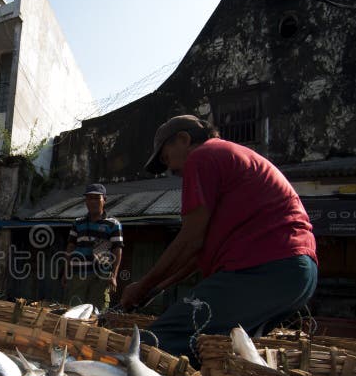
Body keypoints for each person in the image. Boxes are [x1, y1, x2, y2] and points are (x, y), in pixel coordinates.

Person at [120, 115, 318, 362]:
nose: (171, 168)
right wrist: (156, 288)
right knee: (219, 352)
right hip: (298, 272)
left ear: (184, 139)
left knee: (153, 344)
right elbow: (196, 252)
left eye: (166, 157)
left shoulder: (202, 157)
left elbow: (190, 239)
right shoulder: (229, 156)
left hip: (265, 268)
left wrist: (143, 285)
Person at [62, 183, 123, 312]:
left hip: (101, 276)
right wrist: (66, 271)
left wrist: (114, 276)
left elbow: (117, 250)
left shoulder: (113, 224)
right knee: (74, 311)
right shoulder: (78, 223)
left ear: (104, 200)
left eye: (97, 198)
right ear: (86, 201)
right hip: (79, 275)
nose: (93, 201)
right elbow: (70, 247)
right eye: (90, 198)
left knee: (97, 313)